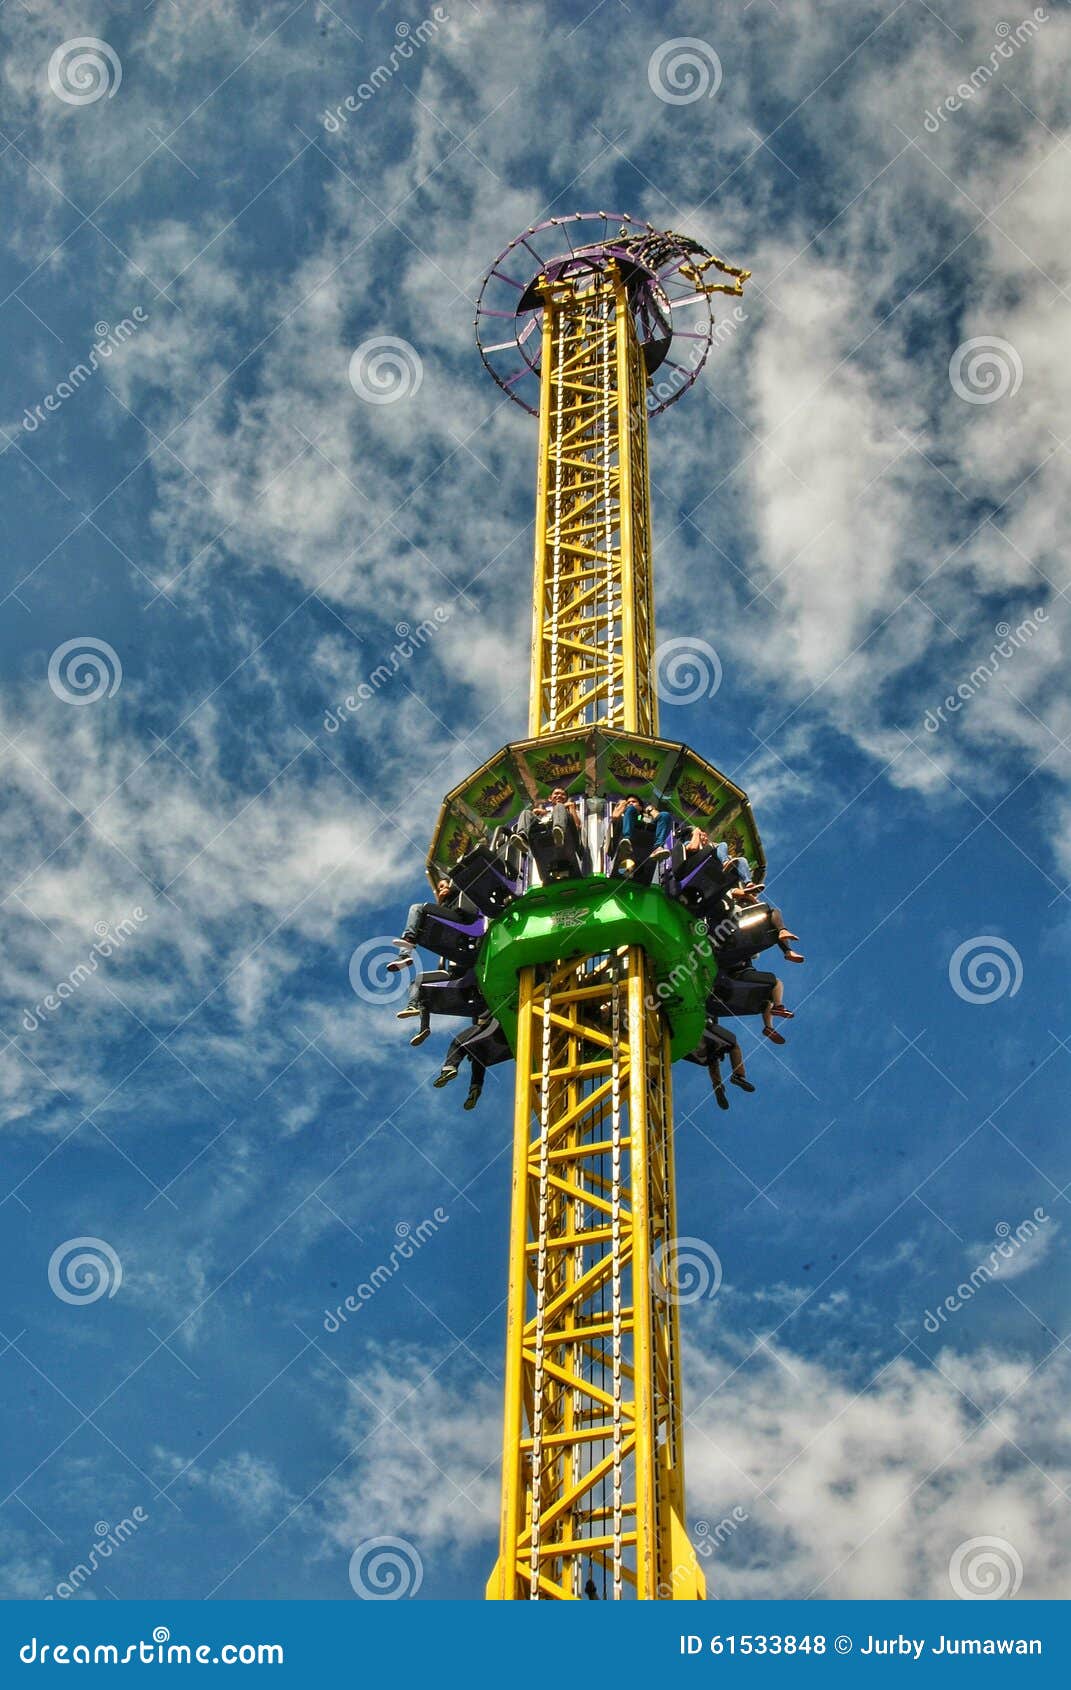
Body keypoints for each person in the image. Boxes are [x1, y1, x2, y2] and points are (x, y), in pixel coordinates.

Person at [388, 877, 470, 971]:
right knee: (419, 930)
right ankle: (404, 956)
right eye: (439, 888)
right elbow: (440, 913)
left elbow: (459, 886)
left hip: (461, 920)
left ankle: (408, 939)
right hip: (452, 931)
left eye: (443, 886)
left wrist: (450, 889)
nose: (441, 889)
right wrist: (440, 901)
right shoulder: (444, 903)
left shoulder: (459, 890)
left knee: (416, 908)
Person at [433, 1014, 511, 1109]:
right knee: (478, 1056)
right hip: (503, 1038)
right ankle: (475, 1087)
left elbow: (482, 1014)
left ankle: (449, 1068)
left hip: (493, 1026)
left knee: (457, 1043)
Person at [708, 966, 794, 1044]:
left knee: (774, 989)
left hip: (738, 982)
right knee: (776, 985)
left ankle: (773, 1019)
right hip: (740, 980)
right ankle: (772, 1019)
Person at [511, 787, 583, 879]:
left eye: (563, 794)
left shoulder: (567, 808)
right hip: (545, 841)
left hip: (569, 840)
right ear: (550, 798)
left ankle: (559, 831)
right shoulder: (545, 813)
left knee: (559, 806)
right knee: (526, 812)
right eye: (556, 793)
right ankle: (523, 838)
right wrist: (535, 815)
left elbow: (577, 826)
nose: (559, 796)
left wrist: (571, 808)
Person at [685, 1019, 755, 1110]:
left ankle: (717, 1086)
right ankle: (738, 1076)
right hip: (702, 1030)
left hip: (698, 1043)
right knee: (734, 1046)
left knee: (713, 1058)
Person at [612, 797, 673, 873]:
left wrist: (650, 810)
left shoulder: (643, 815)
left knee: (665, 815)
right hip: (632, 829)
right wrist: (623, 805)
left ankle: (658, 848)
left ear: (640, 806)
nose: (630, 803)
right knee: (631, 809)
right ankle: (626, 842)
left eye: (633, 801)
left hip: (648, 833)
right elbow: (615, 816)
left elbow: (660, 817)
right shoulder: (627, 812)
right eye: (628, 802)